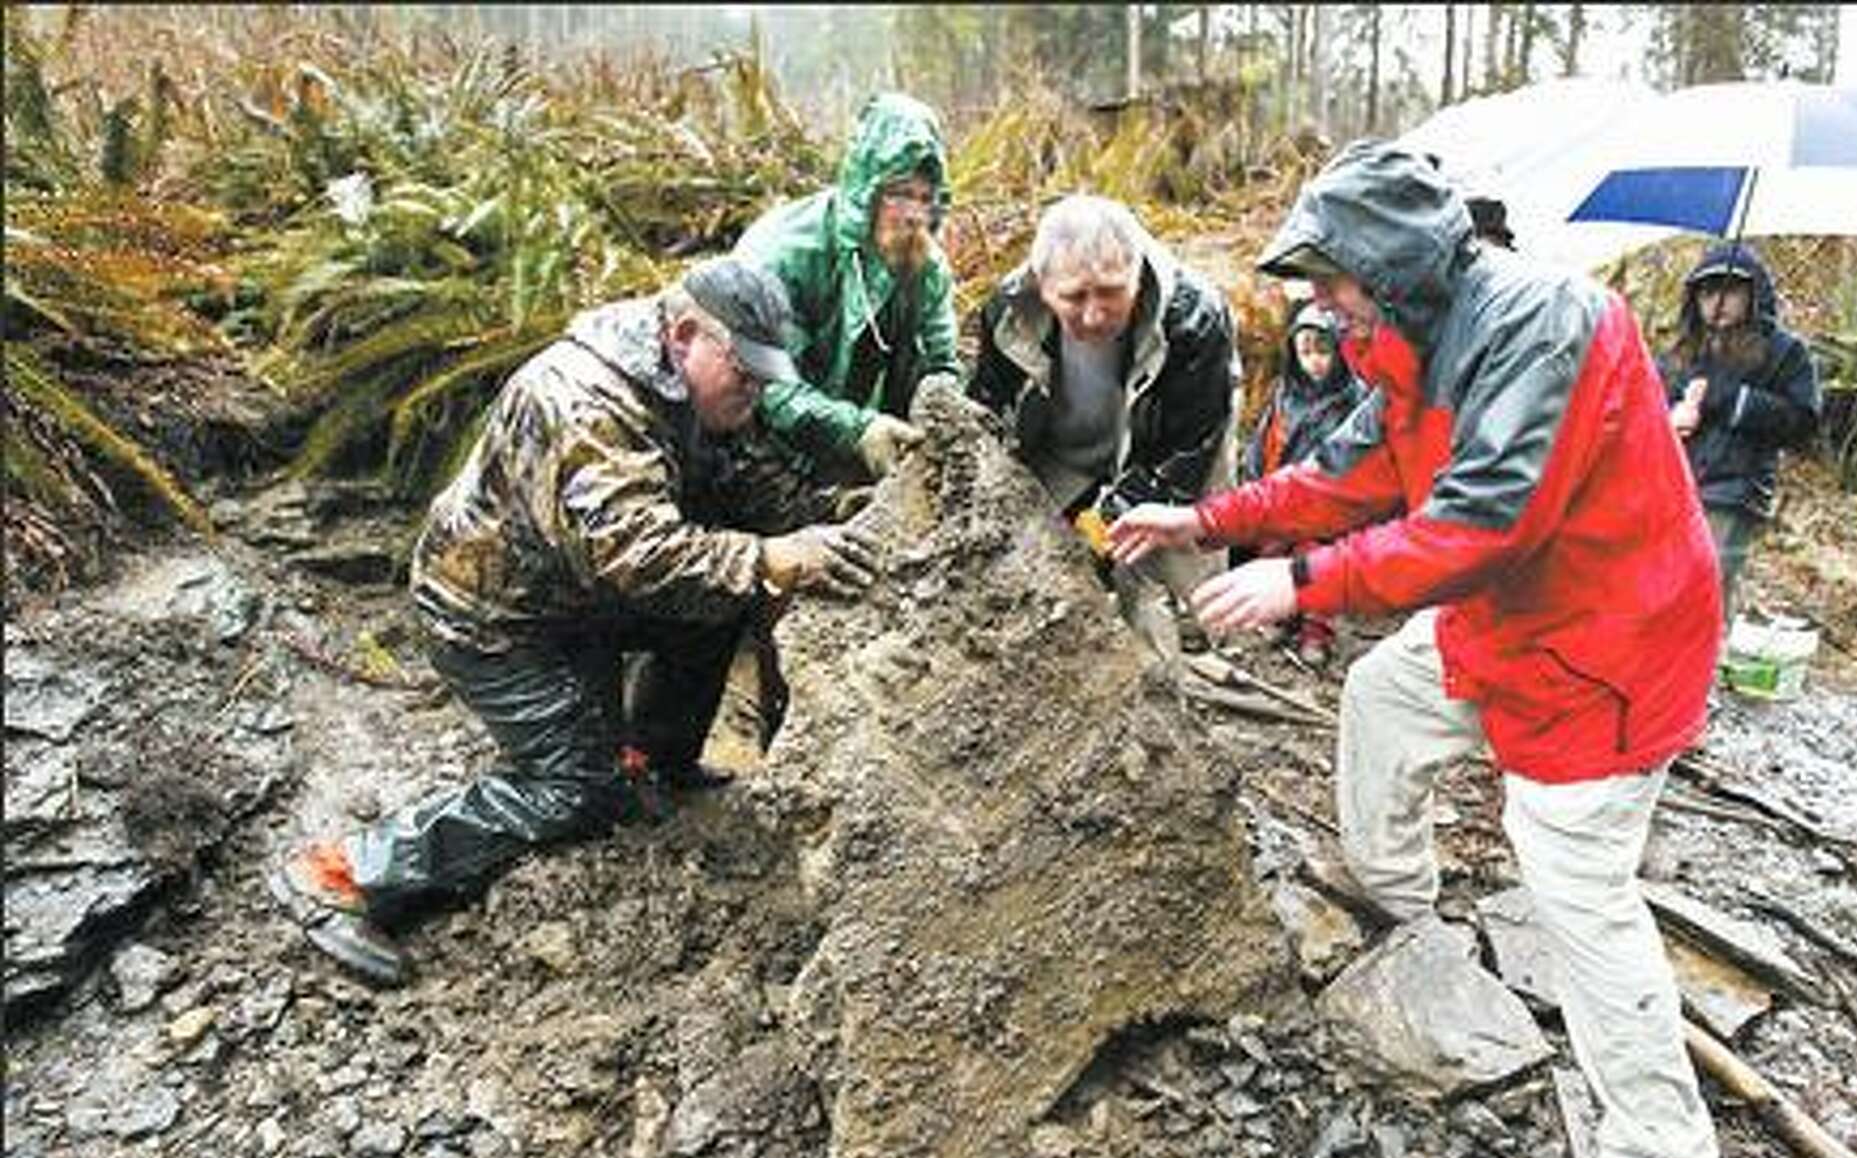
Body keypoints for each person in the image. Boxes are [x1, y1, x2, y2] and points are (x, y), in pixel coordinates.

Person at [1107, 141, 1726, 1158]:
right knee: (1387, 695)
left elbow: (1483, 520)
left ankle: (1662, 1156)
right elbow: (1354, 468)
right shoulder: (1403, 333)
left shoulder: (1543, 323)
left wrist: (1303, 579)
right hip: (1511, 618)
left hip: (1608, 642)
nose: (1326, 309)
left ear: (1391, 261)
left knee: (1575, 884)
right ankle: (1398, 897)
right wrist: (1206, 522)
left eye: (1336, 282)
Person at [269, 259, 885, 987]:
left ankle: (654, 764)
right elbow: (637, 556)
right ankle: (343, 873)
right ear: (686, 336)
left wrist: (850, 519)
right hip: (498, 623)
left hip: (577, 600)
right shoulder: (584, 399)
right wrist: (777, 559)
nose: (756, 391)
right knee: (572, 788)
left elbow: (749, 487)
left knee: (722, 599)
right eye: (745, 374)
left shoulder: (692, 387)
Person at [967, 193, 1240, 659]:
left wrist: (1112, 517)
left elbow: (1191, 445)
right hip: (1063, 448)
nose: (1094, 316)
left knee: (1170, 599)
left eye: (1113, 292)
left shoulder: (1196, 318)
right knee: (1027, 569)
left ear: (1138, 271)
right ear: (1041, 283)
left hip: (1169, 454)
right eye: (1073, 297)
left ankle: (1172, 675)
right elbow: (988, 407)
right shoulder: (1007, 311)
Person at [734, 91, 961, 487]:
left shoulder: (926, 267)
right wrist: (856, 430)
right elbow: (767, 385)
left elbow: (940, 362)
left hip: (865, 450)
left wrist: (942, 407)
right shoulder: (784, 255)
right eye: (899, 194)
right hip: (756, 449)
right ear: (866, 189)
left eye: (925, 199)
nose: (912, 214)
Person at [1661, 242, 1820, 626]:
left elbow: (1804, 423)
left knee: (1706, 593)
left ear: (1753, 293)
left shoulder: (1785, 351)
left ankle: (1699, 682)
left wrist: (1733, 400)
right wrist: (1670, 415)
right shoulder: (1683, 349)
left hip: (1734, 490)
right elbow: (1643, 405)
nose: (1718, 301)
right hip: (1671, 486)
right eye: (1708, 290)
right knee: (1658, 590)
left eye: (1731, 289)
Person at [1233, 300, 1365, 664]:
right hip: (1282, 498)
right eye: (1305, 352)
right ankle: (1277, 615)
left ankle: (1316, 632)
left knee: (1317, 566)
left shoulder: (1354, 399)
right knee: (1272, 555)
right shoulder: (1284, 396)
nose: (1314, 362)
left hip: (1326, 506)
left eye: (1323, 351)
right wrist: (1254, 476)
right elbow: (1264, 441)